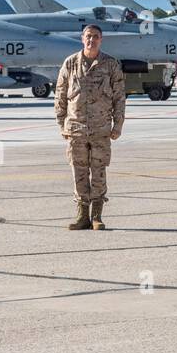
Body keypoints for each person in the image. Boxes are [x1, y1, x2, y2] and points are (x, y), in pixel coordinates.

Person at [55, 24, 126, 231]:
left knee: (99, 172)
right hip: (75, 128)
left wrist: (117, 125)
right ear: (82, 38)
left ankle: (96, 216)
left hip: (101, 128)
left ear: (101, 40)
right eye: (88, 36)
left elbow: (119, 97)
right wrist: (62, 123)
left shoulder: (110, 65)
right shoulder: (70, 63)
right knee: (78, 172)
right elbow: (60, 95)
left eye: (95, 37)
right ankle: (81, 215)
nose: (91, 40)